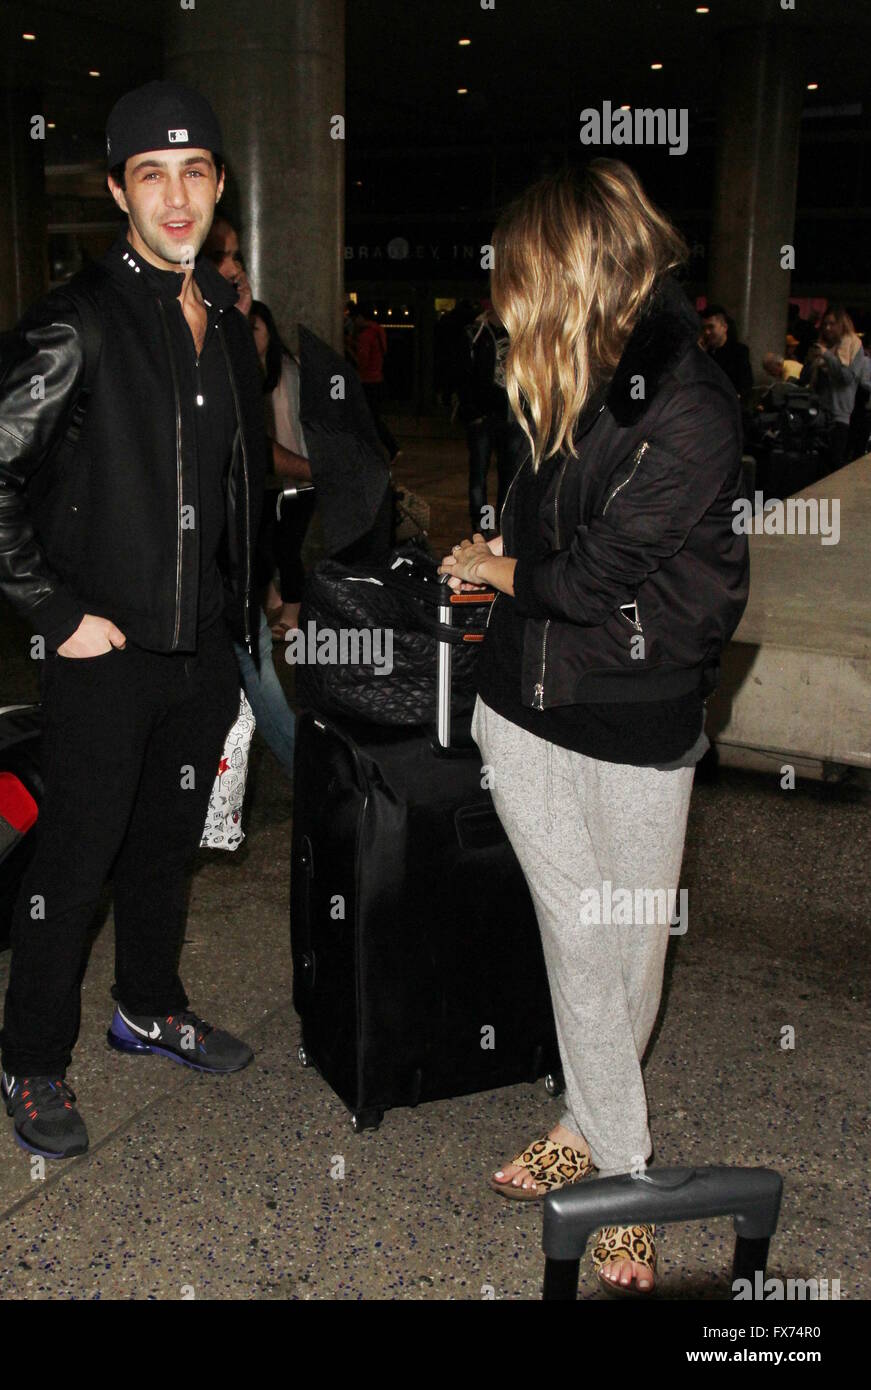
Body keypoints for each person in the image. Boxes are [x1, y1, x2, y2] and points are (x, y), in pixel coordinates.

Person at [440, 160, 748, 1295]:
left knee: (632, 949)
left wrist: (494, 563)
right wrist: (496, 567)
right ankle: (624, 1181)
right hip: (521, 707)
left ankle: (581, 1119)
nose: (504, 301)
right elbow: (548, 567)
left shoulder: (690, 403)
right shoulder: (553, 376)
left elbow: (594, 574)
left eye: (520, 277)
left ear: (577, 272)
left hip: (639, 707)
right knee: (578, 937)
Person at [0, 80, 268, 1159]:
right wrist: (56, 611)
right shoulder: (76, 319)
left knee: (164, 851)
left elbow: (234, 476)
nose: (175, 198)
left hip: (201, 650)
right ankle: (32, 1060)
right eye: (151, 176)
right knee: (73, 867)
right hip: (107, 653)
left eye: (194, 174)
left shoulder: (224, 312)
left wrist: (251, 594)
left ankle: (147, 1007)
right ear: (118, 191)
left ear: (219, 186)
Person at [202, 220, 301, 777]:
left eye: (237, 256)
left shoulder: (227, 337)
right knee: (247, 665)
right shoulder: (193, 342)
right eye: (222, 257)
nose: (237, 270)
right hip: (199, 562)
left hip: (229, 555)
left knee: (253, 661)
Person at [250, 299, 315, 642]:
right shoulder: (251, 372)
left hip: (297, 481)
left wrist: (307, 469)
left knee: (287, 548)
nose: (248, 335)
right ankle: (274, 597)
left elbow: (290, 431)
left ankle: (294, 615)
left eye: (254, 328)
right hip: (270, 481)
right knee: (263, 546)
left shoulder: (288, 371)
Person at [458, 300, 521, 534]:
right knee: (479, 475)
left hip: (511, 415)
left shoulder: (517, 331)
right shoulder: (476, 333)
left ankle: (503, 527)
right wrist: (472, 412)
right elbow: (464, 375)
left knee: (509, 475)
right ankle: (483, 528)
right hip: (484, 416)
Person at [799, 304, 865, 471]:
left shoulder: (851, 345)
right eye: (825, 324)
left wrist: (827, 356)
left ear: (841, 324)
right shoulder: (824, 346)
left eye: (832, 324)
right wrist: (812, 361)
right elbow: (804, 378)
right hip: (817, 413)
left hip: (838, 415)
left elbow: (846, 377)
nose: (828, 328)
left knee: (833, 465)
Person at [352, 303, 399, 461]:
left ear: (360, 317)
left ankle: (390, 447)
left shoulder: (365, 336)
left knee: (369, 419)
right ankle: (387, 448)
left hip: (367, 381)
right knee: (373, 418)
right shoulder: (379, 331)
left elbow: (362, 361)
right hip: (378, 378)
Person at [699, 304, 753, 400]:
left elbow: (746, 386)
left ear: (724, 327)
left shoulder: (739, 352)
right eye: (704, 328)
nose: (707, 332)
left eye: (711, 327)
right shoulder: (705, 352)